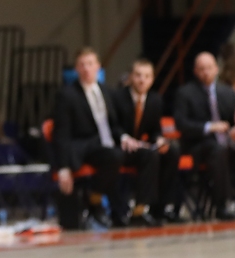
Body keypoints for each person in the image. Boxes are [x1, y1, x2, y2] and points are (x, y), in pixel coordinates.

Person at [52, 47, 129, 228]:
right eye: (82, 65)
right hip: (86, 148)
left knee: (145, 155)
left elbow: (113, 124)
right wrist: (63, 167)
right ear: (76, 69)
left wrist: (125, 136)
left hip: (109, 144)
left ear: (98, 67)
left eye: (90, 64)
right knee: (115, 157)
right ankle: (95, 201)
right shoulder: (67, 95)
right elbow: (61, 133)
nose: (86, 68)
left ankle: (141, 210)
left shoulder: (107, 91)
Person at [173, 51, 235, 221]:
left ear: (216, 69)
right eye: (201, 69)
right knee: (217, 151)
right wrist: (210, 127)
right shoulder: (185, 93)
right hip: (198, 146)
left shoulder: (227, 92)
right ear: (195, 71)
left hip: (227, 144)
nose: (206, 72)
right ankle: (224, 205)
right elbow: (182, 124)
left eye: (209, 68)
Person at [109, 58, 176, 225]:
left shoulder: (155, 100)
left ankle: (160, 208)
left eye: (147, 76)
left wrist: (159, 139)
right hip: (119, 147)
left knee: (171, 151)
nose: (142, 80)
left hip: (140, 147)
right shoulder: (117, 97)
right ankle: (139, 209)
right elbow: (111, 125)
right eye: (138, 75)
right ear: (131, 77)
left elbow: (154, 130)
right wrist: (125, 138)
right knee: (150, 156)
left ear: (152, 79)